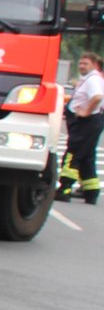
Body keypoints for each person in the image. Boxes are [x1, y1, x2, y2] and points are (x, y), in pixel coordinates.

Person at [58, 53, 104, 203]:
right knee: (87, 157)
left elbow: (97, 97)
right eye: (81, 63)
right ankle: (91, 192)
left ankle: (64, 188)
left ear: (95, 65)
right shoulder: (91, 79)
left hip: (87, 122)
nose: (82, 66)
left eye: (86, 64)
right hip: (91, 122)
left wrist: (86, 112)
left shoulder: (93, 80)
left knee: (73, 154)